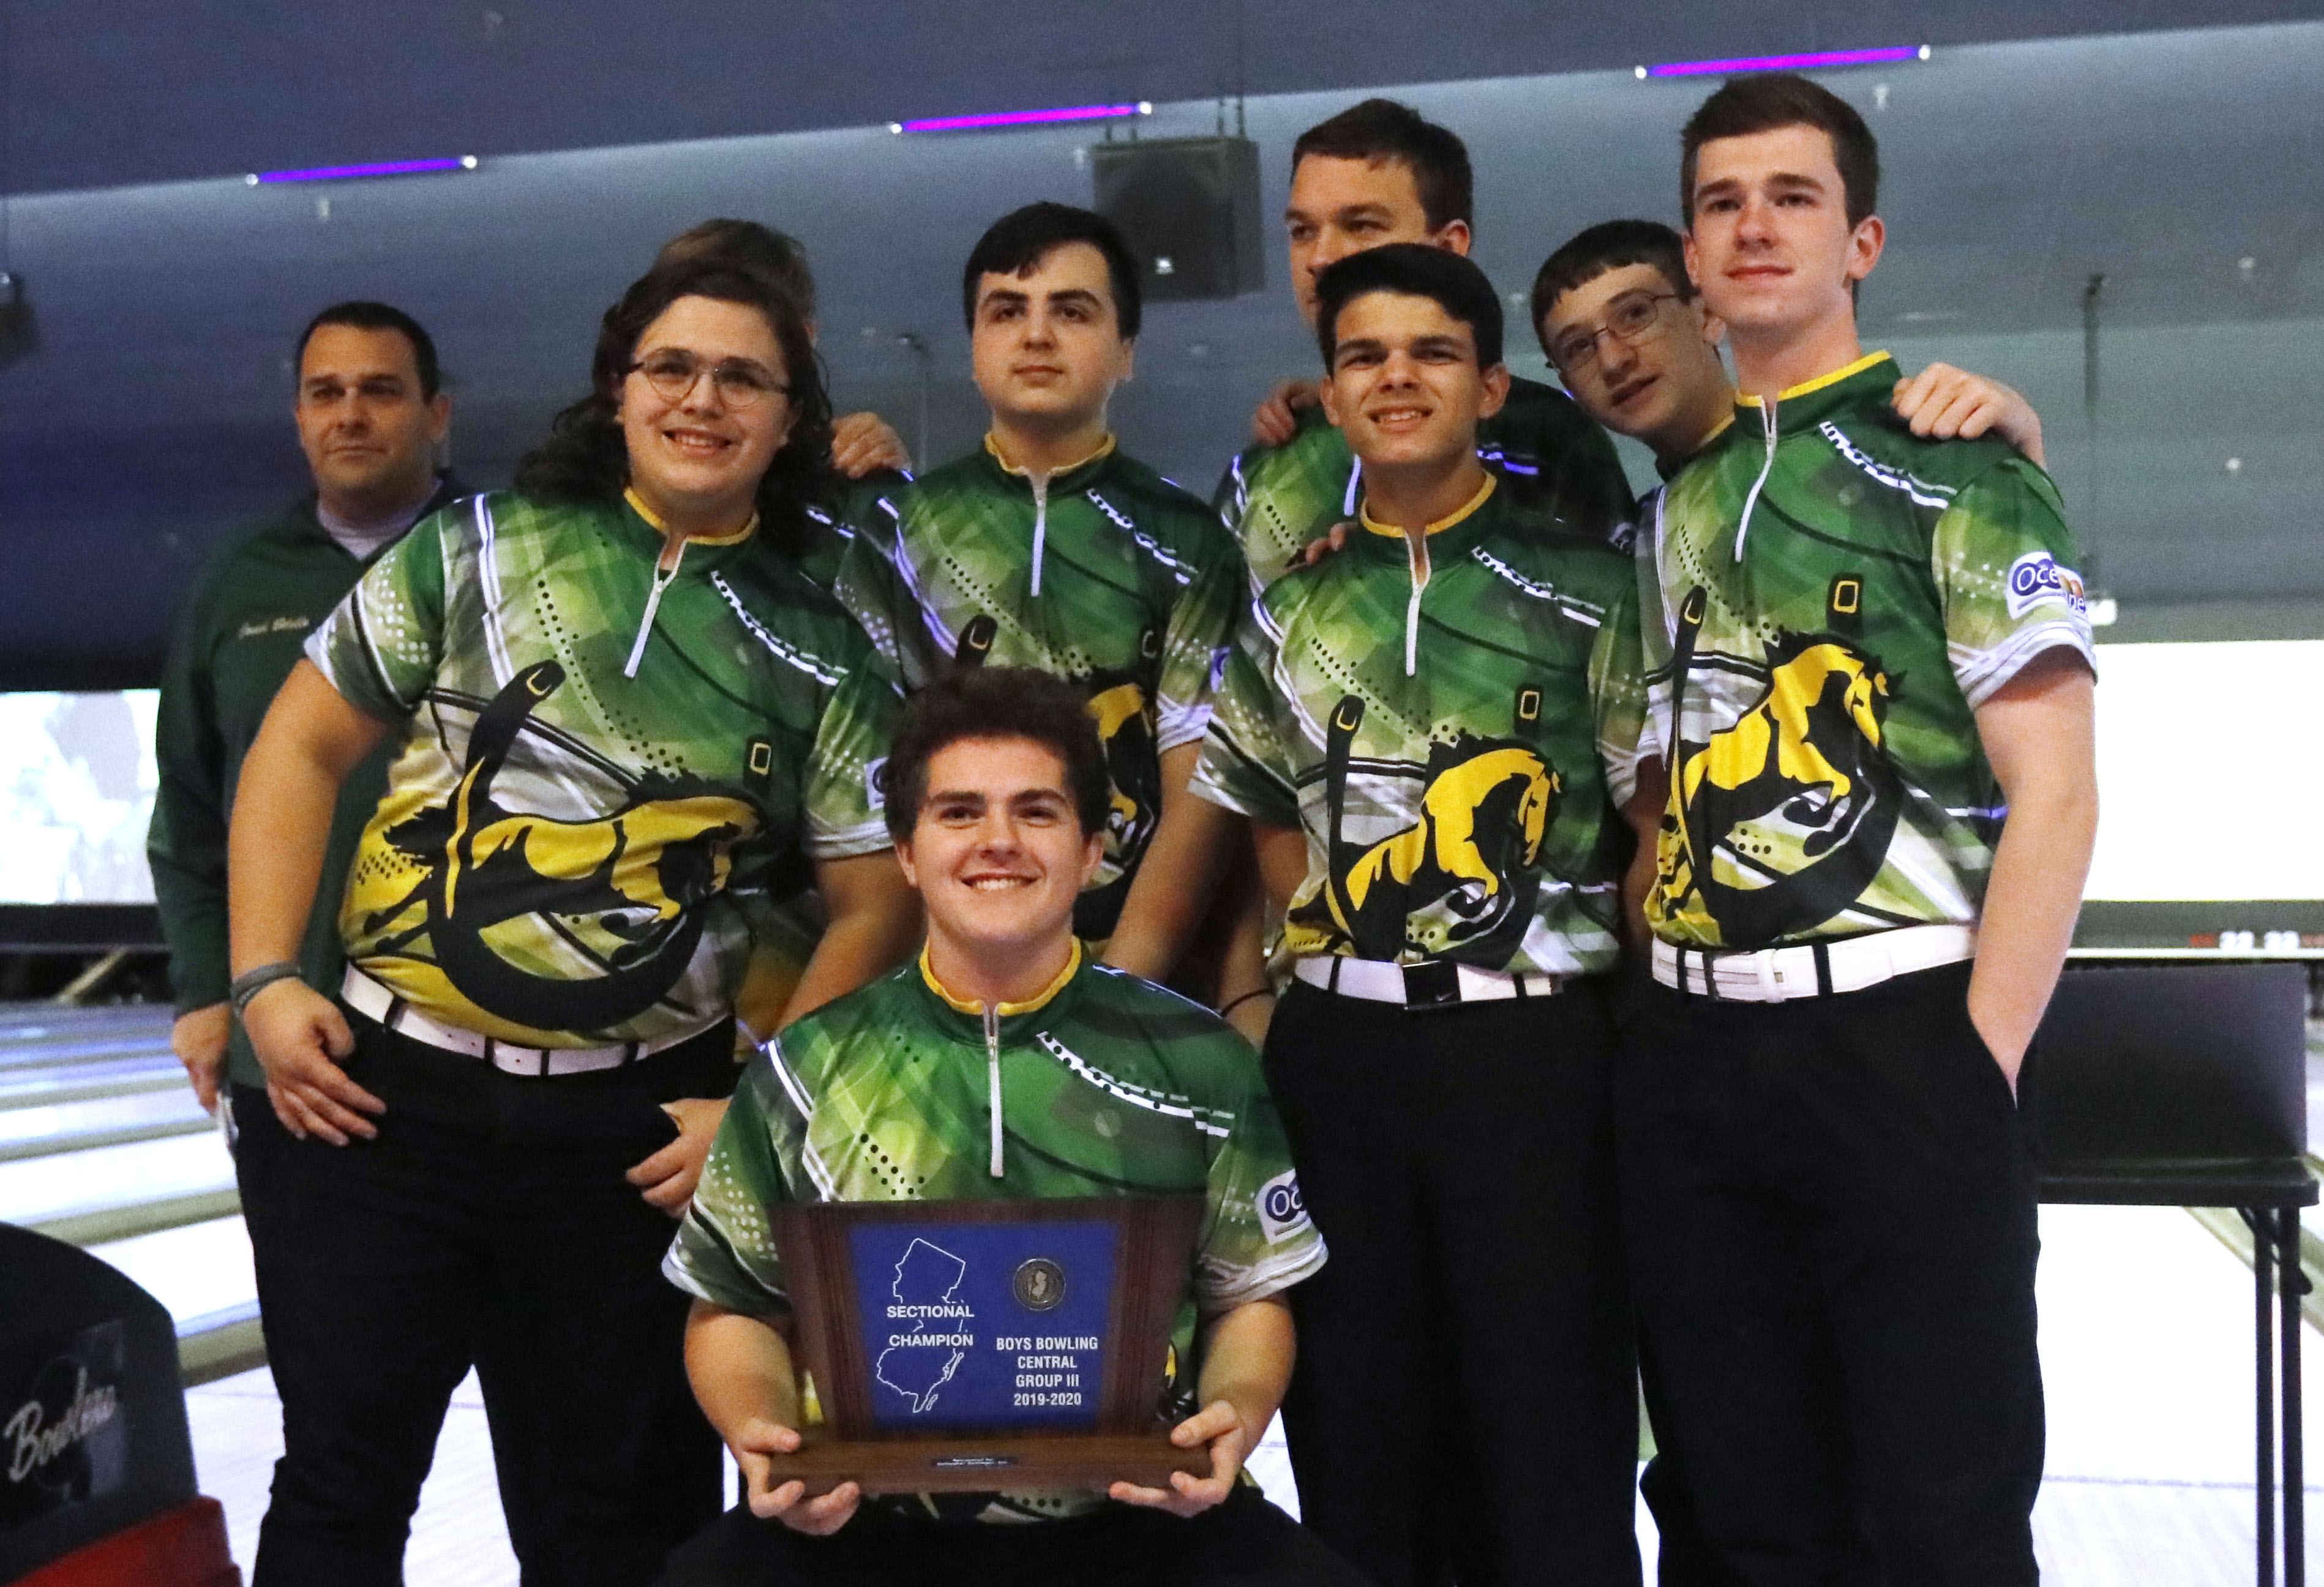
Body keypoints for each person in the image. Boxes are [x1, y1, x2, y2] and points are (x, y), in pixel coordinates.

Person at [223, 256, 921, 1587]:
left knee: (619, 1524)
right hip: (382, 1106)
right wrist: (262, 975)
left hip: (635, 1138)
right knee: (336, 1493)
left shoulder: (821, 637)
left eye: (741, 378)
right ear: (618, 389)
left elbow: (871, 899)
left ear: (787, 417)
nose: (700, 399)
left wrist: (764, 1104)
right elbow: (299, 746)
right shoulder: (482, 543)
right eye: (671, 367)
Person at [1621, 73, 2097, 1585]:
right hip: (1694, 1060)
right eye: (1720, 203)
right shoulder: (1667, 512)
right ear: (1691, 261)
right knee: (1731, 1509)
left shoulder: (1958, 463)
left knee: (1934, 1516)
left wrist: (1976, 1061)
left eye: (1791, 197)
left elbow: (2061, 789)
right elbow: (1652, 797)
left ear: (1861, 240)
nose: (1753, 226)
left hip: (1901, 1039)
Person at [656, 666, 1356, 1587]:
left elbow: (1252, 1297)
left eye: (1035, 811)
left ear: (1094, 847)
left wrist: (1230, 1413)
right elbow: (731, 1306)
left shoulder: (1200, 1059)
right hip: (868, 1519)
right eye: (958, 813)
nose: (997, 842)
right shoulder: (803, 1067)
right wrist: (763, 1430)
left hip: (1137, 1510)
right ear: (905, 851)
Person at [1194, 242, 1653, 1586]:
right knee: (1358, 1440)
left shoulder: (1586, 587)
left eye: (1430, 353)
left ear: (1490, 387)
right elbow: (1267, 819)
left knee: (1551, 1445)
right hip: (1340, 1060)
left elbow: (1643, 817)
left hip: (1534, 1059)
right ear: (1330, 398)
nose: (1395, 377)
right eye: (1363, 357)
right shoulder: (1286, 612)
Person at [840, 203, 1245, 976]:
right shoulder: (896, 531)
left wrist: (1126, 982)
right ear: (973, 349)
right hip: (935, 968)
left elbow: (1198, 794)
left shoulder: (1189, 542)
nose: (1035, 335)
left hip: (1139, 966)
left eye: (1072, 311)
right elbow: (867, 779)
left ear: (1126, 350)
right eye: (1006, 311)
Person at [150, 301, 459, 1122]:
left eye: (380, 391)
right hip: (286, 1042)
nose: (350, 414)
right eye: (326, 393)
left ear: (436, 414)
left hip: (483, 1041)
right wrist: (204, 992)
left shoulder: (502, 555)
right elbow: (187, 805)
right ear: (299, 419)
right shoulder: (239, 578)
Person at [1218, 98, 1633, 591]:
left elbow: (1614, 629)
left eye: (1361, 225)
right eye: (1302, 231)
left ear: (1449, 248)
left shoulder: (1546, 440)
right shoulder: (1266, 472)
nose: (1321, 257)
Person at [1531, 216, 2048, 471]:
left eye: (1636, 315)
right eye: (1577, 348)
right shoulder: (1643, 537)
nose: (1614, 359)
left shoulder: (1872, 451)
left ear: (1709, 313)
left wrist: (2023, 444)